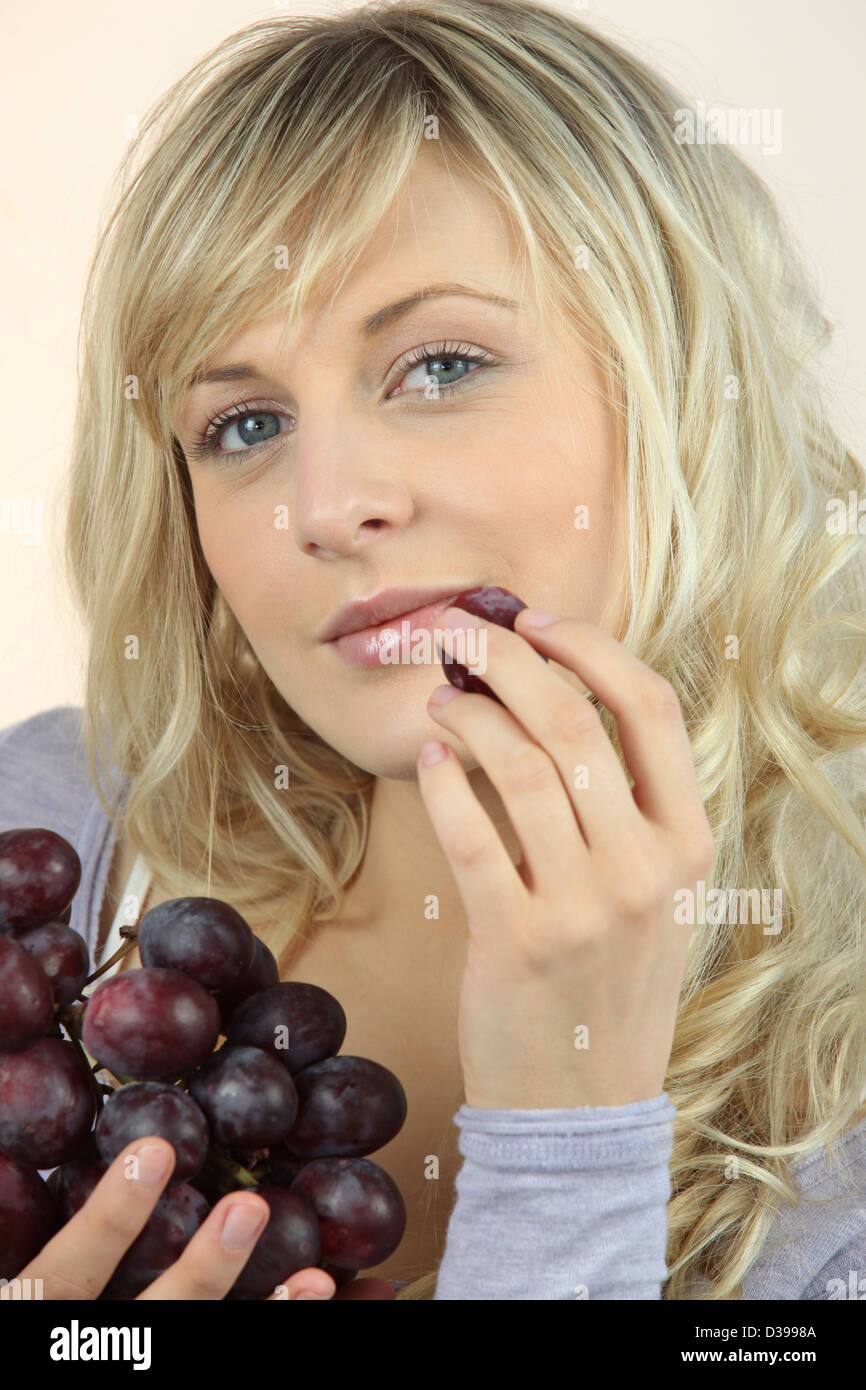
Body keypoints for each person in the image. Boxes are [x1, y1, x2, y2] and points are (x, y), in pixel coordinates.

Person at [1, 0, 864, 1302]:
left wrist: (569, 1137)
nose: (327, 503)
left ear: (684, 380)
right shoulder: (49, 834)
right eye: (243, 424)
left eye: (439, 363)